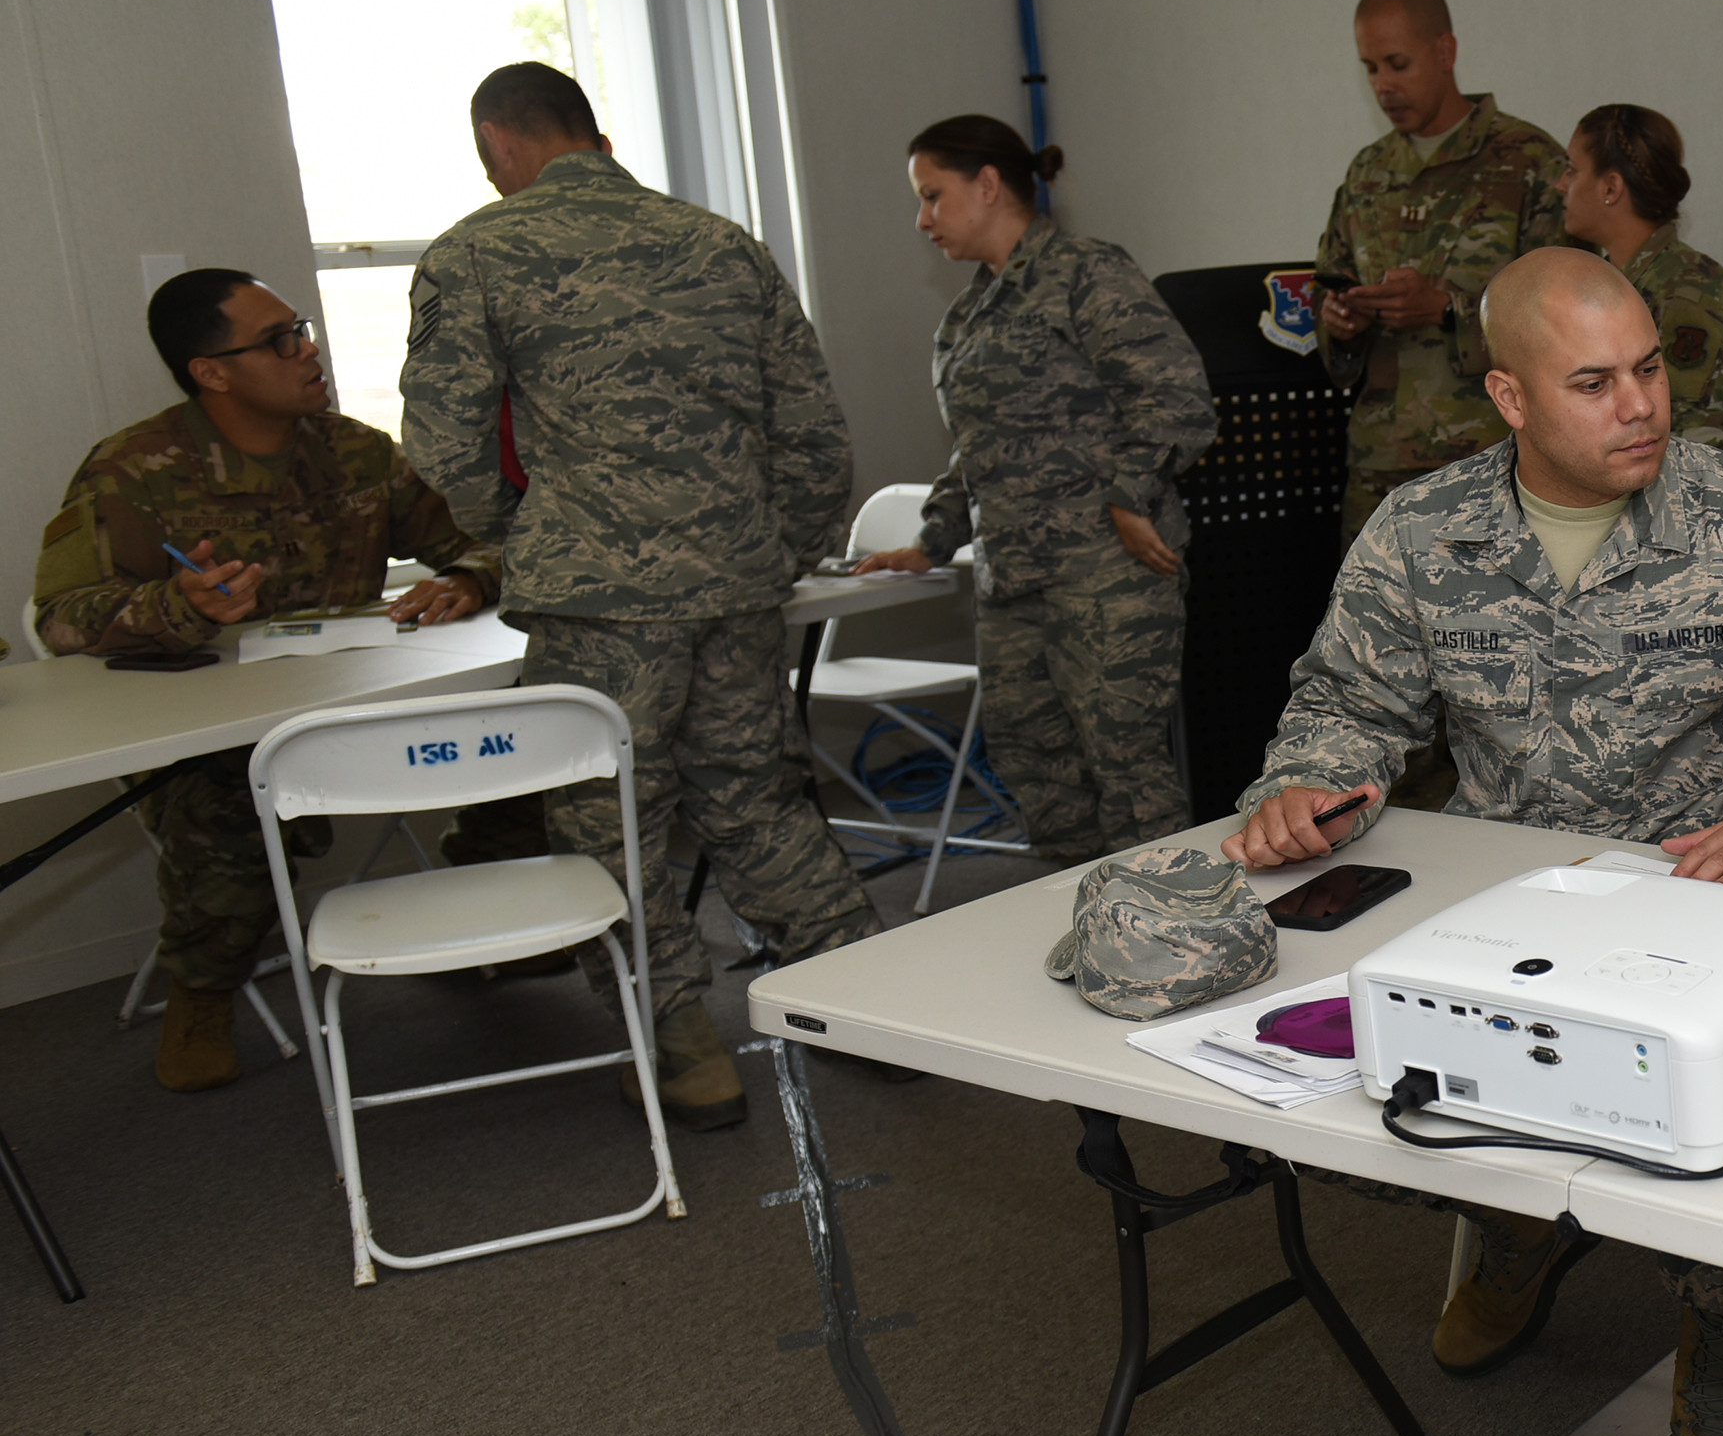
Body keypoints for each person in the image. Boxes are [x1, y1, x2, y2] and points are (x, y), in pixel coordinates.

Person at [1227, 247, 1723, 1436]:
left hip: (1705, 910)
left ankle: (1720, 1367)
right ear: (1509, 398)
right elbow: (1345, 707)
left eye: (1650, 369)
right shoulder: (1423, 533)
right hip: (1508, 919)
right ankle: (1518, 1231)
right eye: (1594, 383)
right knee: (1444, 1082)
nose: (1642, 405)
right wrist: (1306, 784)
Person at [401, 61, 884, 1133]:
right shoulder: (723, 243)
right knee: (756, 795)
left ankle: (681, 1046)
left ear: (499, 145)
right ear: (597, 137)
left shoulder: (475, 251)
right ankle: (872, 1001)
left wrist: (527, 535)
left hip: (596, 604)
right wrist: (772, 548)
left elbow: (441, 444)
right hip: (736, 586)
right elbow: (814, 433)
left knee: (608, 816)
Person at [32, 272, 503, 1092]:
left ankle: (489, 904)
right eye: (280, 341)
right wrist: (177, 604)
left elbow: (484, 541)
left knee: (530, 730)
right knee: (219, 810)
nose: (307, 352)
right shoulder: (133, 470)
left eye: (303, 330)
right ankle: (203, 991)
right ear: (211, 372)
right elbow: (60, 619)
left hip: (356, 707)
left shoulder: (354, 452)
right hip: (216, 734)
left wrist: (468, 577)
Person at [848, 115, 1218, 864]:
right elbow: (980, 447)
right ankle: (1078, 914)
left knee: (1128, 775)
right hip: (1012, 583)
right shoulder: (967, 314)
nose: (922, 220)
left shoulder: (1086, 273)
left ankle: (1173, 921)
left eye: (932, 196)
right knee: (1038, 775)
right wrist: (933, 540)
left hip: (1103, 574)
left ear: (988, 185)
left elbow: (1177, 398)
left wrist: (1127, 495)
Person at [1311, 0, 1569, 540]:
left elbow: (1566, 319)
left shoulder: (1528, 163)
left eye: (1397, 64)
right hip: (1380, 470)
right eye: (1370, 68)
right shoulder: (1366, 173)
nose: (1383, 86)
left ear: (1445, 52)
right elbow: (1328, 291)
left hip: (1491, 462)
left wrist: (1448, 311)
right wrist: (1341, 322)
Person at [1562, 103, 1723, 453]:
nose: (1560, 184)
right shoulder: (1603, 283)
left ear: (1611, 188)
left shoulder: (1690, 289)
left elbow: (1700, 433)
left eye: (1572, 170)